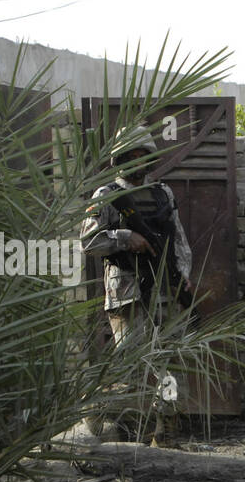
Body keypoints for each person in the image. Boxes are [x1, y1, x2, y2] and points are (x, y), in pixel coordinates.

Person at [80, 124, 194, 447]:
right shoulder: (106, 196)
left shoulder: (163, 194)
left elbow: (180, 241)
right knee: (131, 366)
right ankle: (95, 410)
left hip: (164, 290)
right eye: (131, 155)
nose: (138, 161)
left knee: (170, 361)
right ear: (120, 159)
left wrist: (183, 273)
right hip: (127, 293)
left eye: (143, 155)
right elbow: (87, 242)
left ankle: (166, 428)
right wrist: (125, 238)